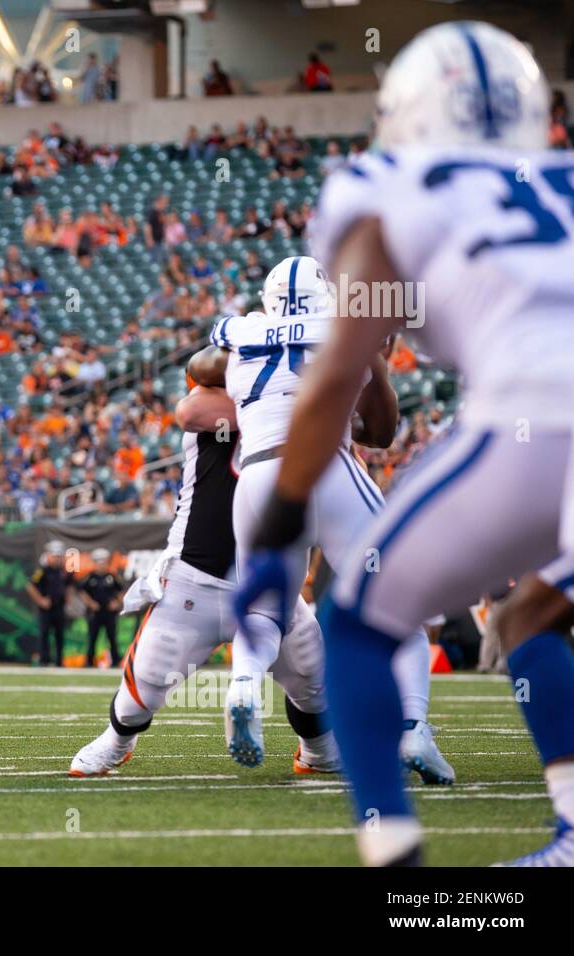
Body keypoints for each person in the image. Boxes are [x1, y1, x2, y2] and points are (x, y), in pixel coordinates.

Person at [234, 23, 569, 866]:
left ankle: (398, 863)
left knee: (356, 625)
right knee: (531, 612)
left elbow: (339, 374)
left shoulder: (386, 183)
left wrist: (275, 530)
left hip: (536, 419)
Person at [192, 258, 453, 781]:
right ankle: (413, 729)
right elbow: (379, 434)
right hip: (326, 466)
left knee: (267, 610)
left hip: (262, 473)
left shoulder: (242, 328)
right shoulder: (347, 327)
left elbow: (201, 367)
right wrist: (374, 363)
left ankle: (244, 682)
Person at [70, 386, 338, 777]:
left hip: (269, 583)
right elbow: (192, 406)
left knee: (312, 672)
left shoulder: (301, 402)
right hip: (197, 579)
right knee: (143, 687)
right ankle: (117, 741)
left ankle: (317, 750)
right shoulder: (224, 402)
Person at [27, 540, 71, 666]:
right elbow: (31, 586)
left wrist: (67, 599)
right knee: (44, 634)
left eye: (59, 556)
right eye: (55, 556)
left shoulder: (64, 571)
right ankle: (44, 660)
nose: (57, 558)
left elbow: (68, 586)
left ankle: (59, 661)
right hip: (46, 609)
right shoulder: (42, 570)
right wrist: (40, 600)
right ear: (49, 555)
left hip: (59, 607)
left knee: (59, 635)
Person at [81, 548, 123, 666]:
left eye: (104, 562)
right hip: (95, 612)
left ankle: (115, 662)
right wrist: (90, 603)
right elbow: (82, 592)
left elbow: (121, 591)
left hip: (109, 612)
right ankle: (89, 662)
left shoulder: (112, 577)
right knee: (92, 637)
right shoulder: (90, 577)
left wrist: (117, 603)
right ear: (95, 563)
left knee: (112, 637)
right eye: (99, 562)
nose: (101, 565)